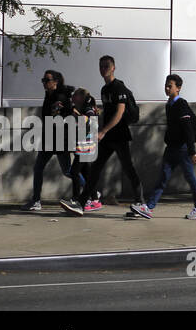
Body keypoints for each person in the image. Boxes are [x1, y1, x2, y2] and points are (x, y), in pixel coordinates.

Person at [62, 55, 142, 215]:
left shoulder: (118, 87)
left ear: (113, 68)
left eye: (106, 66)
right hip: (108, 136)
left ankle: (141, 203)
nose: (103, 69)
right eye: (101, 66)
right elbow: (111, 110)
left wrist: (103, 131)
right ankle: (81, 203)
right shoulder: (104, 89)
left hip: (119, 135)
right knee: (95, 169)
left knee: (128, 168)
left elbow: (120, 112)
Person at [129, 74, 196, 220]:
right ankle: (149, 208)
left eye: (170, 86)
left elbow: (187, 128)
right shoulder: (169, 104)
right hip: (171, 148)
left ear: (179, 88)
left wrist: (191, 151)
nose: (167, 88)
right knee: (163, 177)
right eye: (166, 85)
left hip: (182, 149)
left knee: (190, 177)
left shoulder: (181, 104)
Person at [23, 70, 84, 211]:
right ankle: (36, 200)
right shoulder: (49, 95)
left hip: (60, 138)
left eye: (47, 80)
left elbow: (66, 116)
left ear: (55, 82)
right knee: (38, 168)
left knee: (68, 171)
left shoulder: (60, 97)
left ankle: (91, 191)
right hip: (49, 138)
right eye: (43, 80)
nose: (44, 83)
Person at [59, 87, 98, 211]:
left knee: (75, 172)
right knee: (87, 174)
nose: (72, 97)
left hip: (86, 147)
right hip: (81, 146)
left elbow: (89, 122)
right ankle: (95, 199)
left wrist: (76, 115)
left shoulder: (87, 109)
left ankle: (76, 199)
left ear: (81, 97)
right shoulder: (79, 109)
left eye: (75, 95)